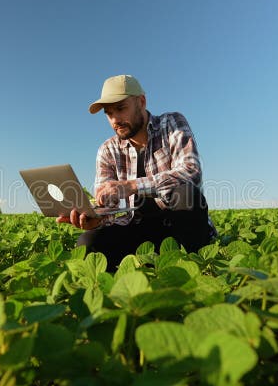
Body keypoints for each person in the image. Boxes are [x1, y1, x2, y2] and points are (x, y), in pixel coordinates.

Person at [56, 74, 217, 270]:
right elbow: (107, 205)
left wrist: (132, 186)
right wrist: (94, 219)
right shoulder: (107, 150)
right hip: (135, 229)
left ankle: (196, 263)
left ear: (141, 101)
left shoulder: (171, 123)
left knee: (185, 194)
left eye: (121, 108)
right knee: (88, 243)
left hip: (175, 224)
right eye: (109, 113)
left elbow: (191, 172)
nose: (115, 119)